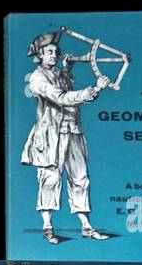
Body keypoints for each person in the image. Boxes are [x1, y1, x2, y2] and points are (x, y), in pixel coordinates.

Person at [20, 31, 111, 244]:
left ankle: (87, 227)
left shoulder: (59, 74)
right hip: (51, 137)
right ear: (39, 55)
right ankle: (48, 228)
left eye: (55, 52)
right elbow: (61, 98)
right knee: (50, 179)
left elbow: (65, 86)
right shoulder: (37, 78)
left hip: (73, 133)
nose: (54, 55)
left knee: (81, 178)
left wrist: (68, 69)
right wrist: (95, 88)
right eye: (49, 52)